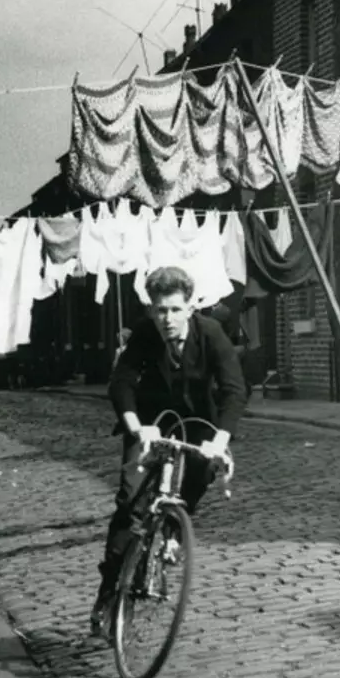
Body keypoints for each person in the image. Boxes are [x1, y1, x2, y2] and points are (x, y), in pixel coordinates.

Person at [92, 266, 248, 637]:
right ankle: (110, 592)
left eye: (176, 310)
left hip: (198, 425)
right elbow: (122, 383)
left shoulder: (211, 335)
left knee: (199, 474)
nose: (168, 319)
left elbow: (234, 390)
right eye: (161, 310)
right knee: (130, 502)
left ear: (191, 307)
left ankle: (174, 530)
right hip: (150, 424)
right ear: (152, 310)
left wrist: (220, 440)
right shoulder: (146, 335)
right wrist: (135, 426)